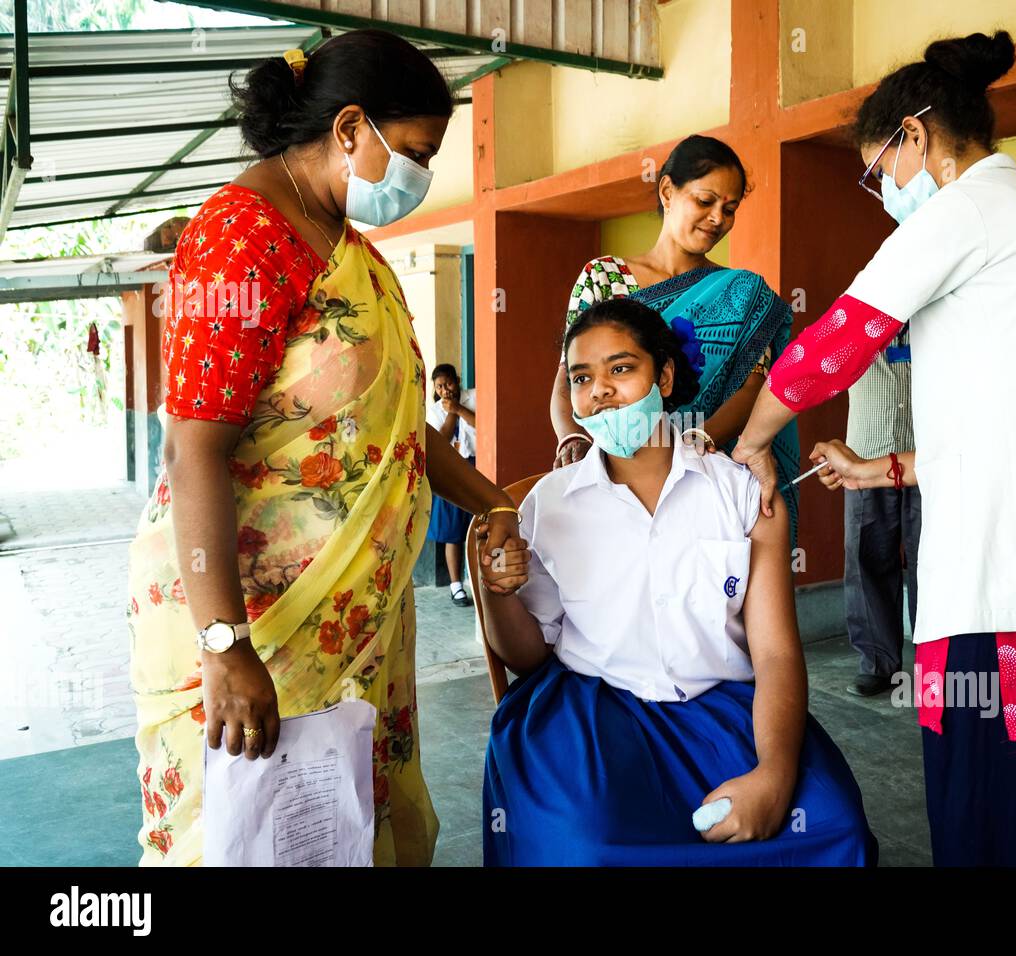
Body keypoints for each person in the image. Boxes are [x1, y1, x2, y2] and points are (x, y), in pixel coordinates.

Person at [730, 30, 1016, 866]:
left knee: (992, 808)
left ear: (915, 135)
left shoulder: (965, 212)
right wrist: (882, 468)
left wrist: (751, 439)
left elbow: (837, 341)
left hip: (1013, 577)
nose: (885, 192)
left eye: (879, 171)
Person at [126, 30, 527, 867]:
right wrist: (225, 645)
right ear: (350, 127)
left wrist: (494, 501)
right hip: (255, 624)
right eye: (416, 152)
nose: (421, 175)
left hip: (358, 625)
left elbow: (394, 430)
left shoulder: (350, 249)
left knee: (343, 831)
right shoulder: (241, 236)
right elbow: (192, 450)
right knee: (247, 838)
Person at [478, 299, 877, 866]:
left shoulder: (742, 493)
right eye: (581, 378)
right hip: (593, 715)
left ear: (664, 376)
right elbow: (528, 657)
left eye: (621, 368)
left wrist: (772, 773)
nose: (600, 391)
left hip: (724, 711)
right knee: (585, 846)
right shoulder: (547, 505)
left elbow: (775, 654)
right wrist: (499, 594)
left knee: (836, 828)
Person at [549, 135, 802, 536]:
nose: (718, 218)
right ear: (667, 191)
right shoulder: (604, 277)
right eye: (705, 201)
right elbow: (569, 377)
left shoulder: (741, 292)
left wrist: (693, 447)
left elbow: (753, 384)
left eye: (730, 209)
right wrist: (572, 440)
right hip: (615, 475)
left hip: (709, 474)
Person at [841, 327, 921, 698]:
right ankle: (877, 663)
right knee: (867, 560)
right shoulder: (859, 316)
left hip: (927, 455)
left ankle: (935, 662)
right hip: (866, 455)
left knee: (933, 562)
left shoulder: (941, 315)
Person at [427, 363, 477, 607]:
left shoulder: (475, 397)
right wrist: (450, 412)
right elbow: (442, 439)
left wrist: (459, 408)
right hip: (451, 469)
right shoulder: (434, 411)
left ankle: (478, 581)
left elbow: (484, 425)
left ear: (457, 380)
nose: (445, 389)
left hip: (476, 465)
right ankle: (456, 585)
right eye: (439, 386)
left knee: (478, 526)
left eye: (448, 383)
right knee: (452, 530)